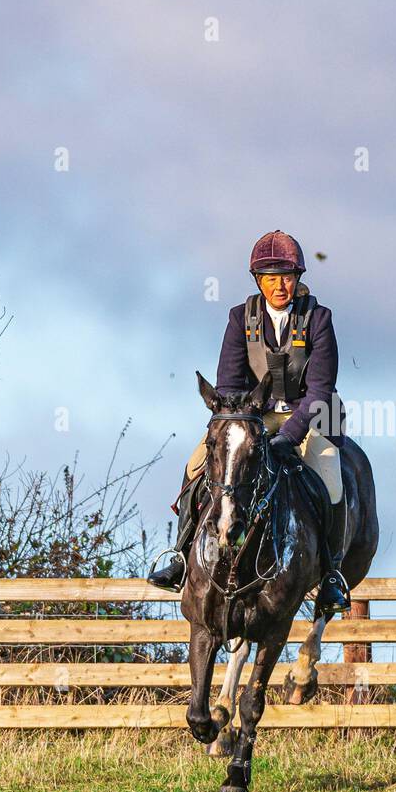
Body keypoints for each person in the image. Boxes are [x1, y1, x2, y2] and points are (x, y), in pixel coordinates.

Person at [147, 230, 350, 612]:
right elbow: (227, 385)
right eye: (271, 278)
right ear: (258, 281)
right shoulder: (240, 318)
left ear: (298, 278)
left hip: (313, 415)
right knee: (196, 466)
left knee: (330, 479)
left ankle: (332, 575)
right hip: (255, 416)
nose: (280, 286)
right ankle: (179, 555)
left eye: (287, 277)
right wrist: (244, 425)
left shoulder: (319, 320)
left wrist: (289, 437)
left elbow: (320, 389)